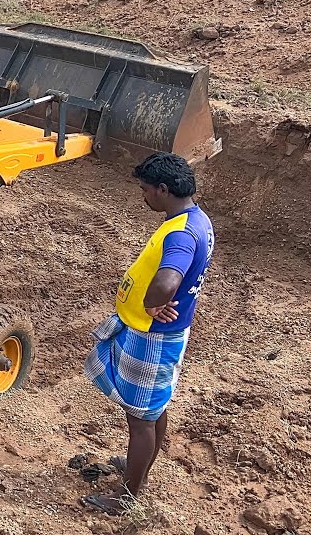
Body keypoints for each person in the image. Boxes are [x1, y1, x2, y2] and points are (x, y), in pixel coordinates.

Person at [82, 152, 214, 515]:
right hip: (162, 333)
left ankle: (127, 497)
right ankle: (139, 469)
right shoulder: (197, 219)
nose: (143, 196)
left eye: (145, 189)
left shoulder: (182, 234)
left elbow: (170, 277)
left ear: (163, 188)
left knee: (140, 420)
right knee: (154, 410)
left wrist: (155, 301)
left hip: (153, 336)